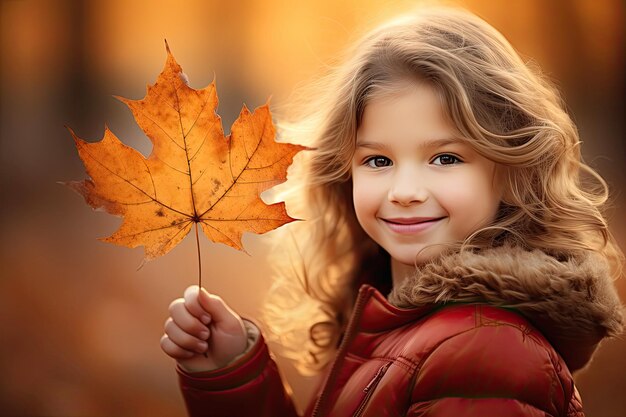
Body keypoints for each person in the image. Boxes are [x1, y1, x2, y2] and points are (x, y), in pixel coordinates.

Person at [160, 6, 624, 417]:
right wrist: (232, 374)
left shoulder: (485, 352)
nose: (404, 191)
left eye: (445, 158)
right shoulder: (398, 328)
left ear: (509, 170)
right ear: (345, 172)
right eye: (378, 160)